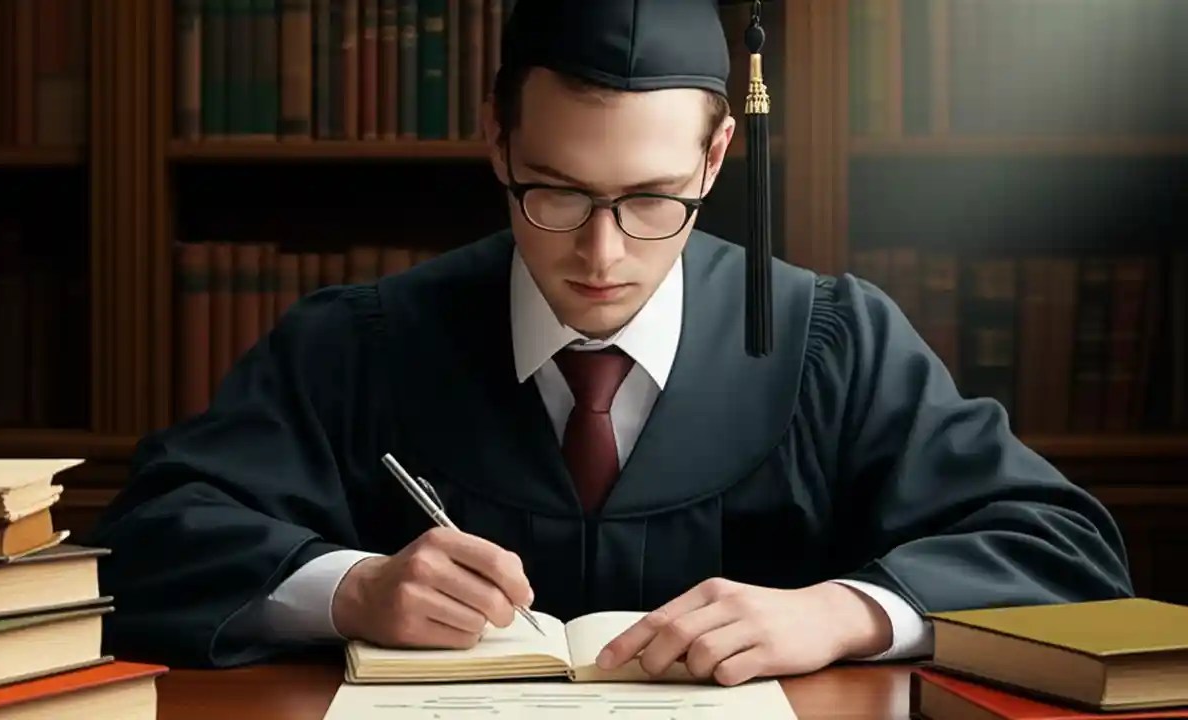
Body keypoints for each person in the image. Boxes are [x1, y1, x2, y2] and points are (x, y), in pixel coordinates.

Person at [87, 0, 1133, 687]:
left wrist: (845, 614)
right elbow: (147, 543)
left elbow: (1064, 556)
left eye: (650, 199)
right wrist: (348, 588)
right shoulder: (358, 344)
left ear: (716, 155)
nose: (599, 253)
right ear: (495, 140)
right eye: (552, 191)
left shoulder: (834, 342)